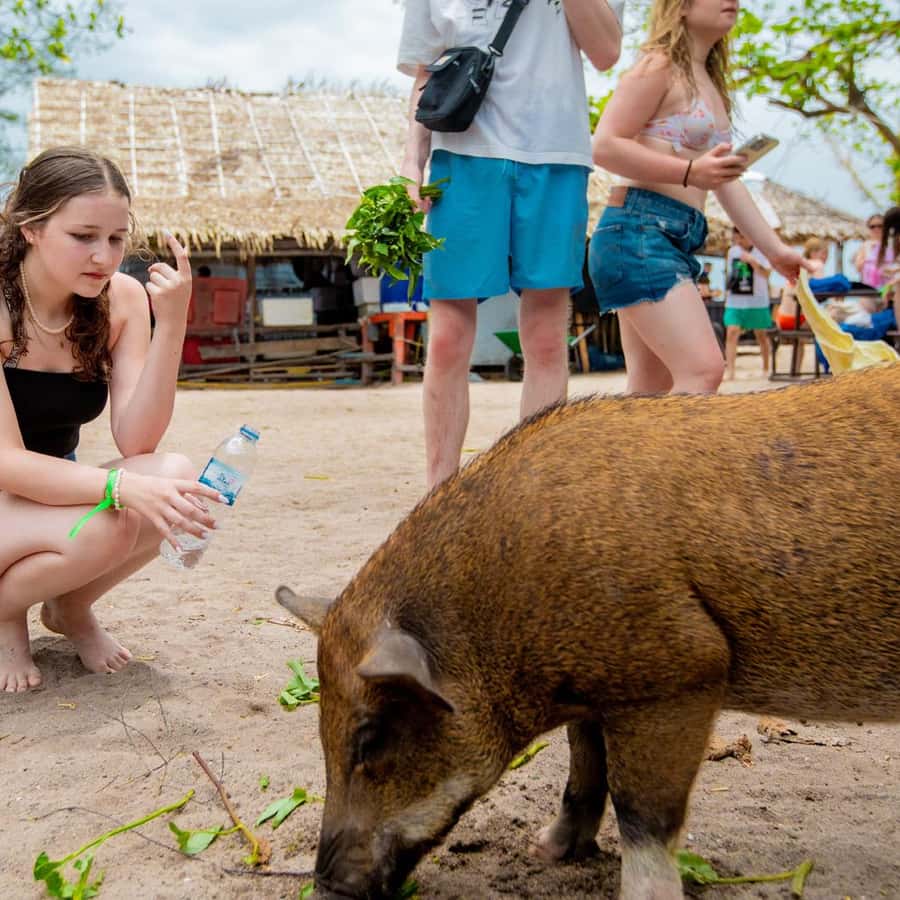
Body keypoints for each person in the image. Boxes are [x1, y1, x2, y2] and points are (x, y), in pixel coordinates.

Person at [0, 147, 223, 693]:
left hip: (47, 496)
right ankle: (5, 616)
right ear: (31, 229)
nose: (104, 256)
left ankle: (69, 608)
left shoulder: (119, 298)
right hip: (8, 491)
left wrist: (172, 322)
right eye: (83, 236)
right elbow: (6, 462)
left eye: (117, 239)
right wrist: (119, 488)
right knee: (109, 521)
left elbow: (137, 439)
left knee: (174, 477)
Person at [397, 0, 624, 488]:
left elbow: (606, 52)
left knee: (545, 336)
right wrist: (412, 161)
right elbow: (425, 71)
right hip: (463, 154)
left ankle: (534, 489)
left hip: (556, 154)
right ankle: (440, 494)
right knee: (447, 336)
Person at [589, 0, 809, 395]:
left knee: (651, 392)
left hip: (666, 236)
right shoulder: (658, 66)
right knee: (703, 370)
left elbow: (726, 182)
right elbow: (604, 145)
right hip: (638, 231)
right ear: (681, 7)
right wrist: (690, 172)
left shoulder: (706, 80)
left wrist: (775, 251)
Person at [722, 227, 772, 378]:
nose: (739, 241)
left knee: (761, 335)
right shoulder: (732, 252)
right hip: (735, 300)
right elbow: (730, 275)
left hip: (757, 301)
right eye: (736, 237)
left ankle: (766, 368)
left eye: (742, 237)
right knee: (731, 332)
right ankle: (730, 371)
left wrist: (752, 261)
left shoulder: (762, 251)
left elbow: (767, 274)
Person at [775, 237, 827, 331]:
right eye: (824, 253)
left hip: (781, 318)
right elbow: (819, 292)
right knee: (834, 320)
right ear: (813, 253)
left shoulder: (798, 265)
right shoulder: (817, 264)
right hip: (799, 320)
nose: (826, 257)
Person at [853, 212, 890, 289]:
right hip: (869, 288)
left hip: (889, 287)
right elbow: (858, 267)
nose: (876, 229)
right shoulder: (864, 246)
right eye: (872, 226)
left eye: (880, 226)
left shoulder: (891, 245)